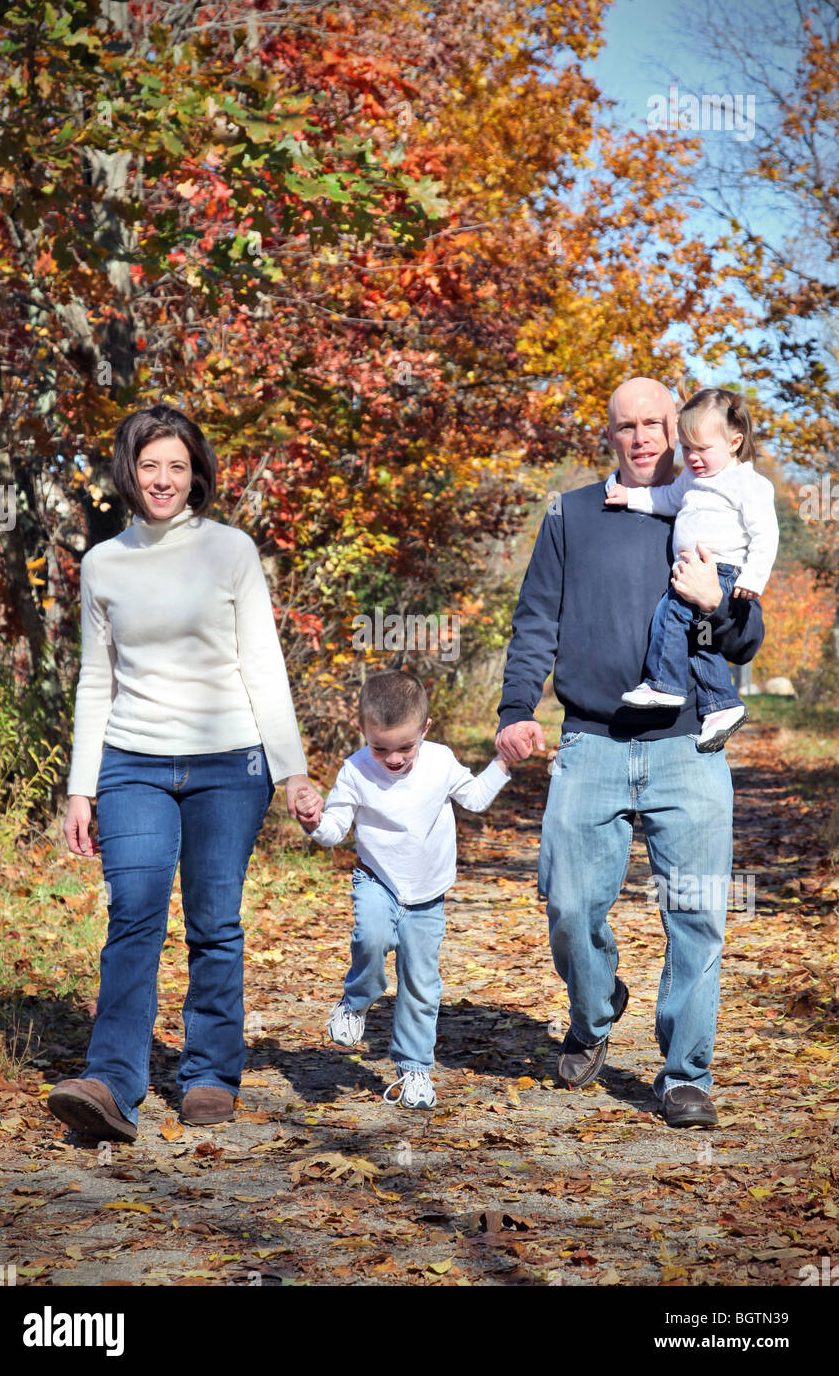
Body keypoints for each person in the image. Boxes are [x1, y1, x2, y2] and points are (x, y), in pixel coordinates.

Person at [495, 377, 765, 1128]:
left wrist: (720, 603)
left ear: (678, 431)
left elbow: (746, 637)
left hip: (689, 749)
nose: (644, 437)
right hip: (591, 741)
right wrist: (516, 708)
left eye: (657, 424)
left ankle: (685, 1075)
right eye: (627, 425)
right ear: (607, 434)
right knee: (571, 906)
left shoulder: (709, 505)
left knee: (697, 914)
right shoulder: (572, 513)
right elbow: (535, 621)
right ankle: (594, 1007)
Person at [50, 404, 318, 1142]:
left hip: (230, 763)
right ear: (128, 475)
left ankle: (207, 1075)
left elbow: (262, 664)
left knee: (213, 920)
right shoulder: (103, 563)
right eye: (149, 465)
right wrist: (81, 786)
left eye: (176, 465)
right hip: (132, 763)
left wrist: (291, 770)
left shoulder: (229, 551)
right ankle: (111, 1081)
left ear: (195, 472)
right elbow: (95, 680)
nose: (163, 479)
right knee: (134, 912)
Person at [294, 670, 510, 1108]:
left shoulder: (440, 761)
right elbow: (336, 828)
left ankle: (414, 1069)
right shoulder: (355, 771)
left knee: (420, 981)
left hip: (428, 893)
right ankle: (356, 1002)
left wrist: (503, 763)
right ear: (363, 731)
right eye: (380, 748)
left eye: (405, 747)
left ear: (425, 730)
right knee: (371, 938)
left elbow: (474, 798)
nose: (392, 759)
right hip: (377, 879)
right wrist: (315, 822)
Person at [606, 387, 779, 752]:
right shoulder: (691, 479)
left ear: (734, 442)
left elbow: (765, 535)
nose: (694, 458)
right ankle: (723, 705)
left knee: (669, 616)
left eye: (703, 449)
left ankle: (664, 685)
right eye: (687, 449)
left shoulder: (747, 484)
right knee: (698, 640)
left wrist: (753, 578)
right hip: (695, 570)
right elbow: (665, 499)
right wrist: (630, 497)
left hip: (722, 571)